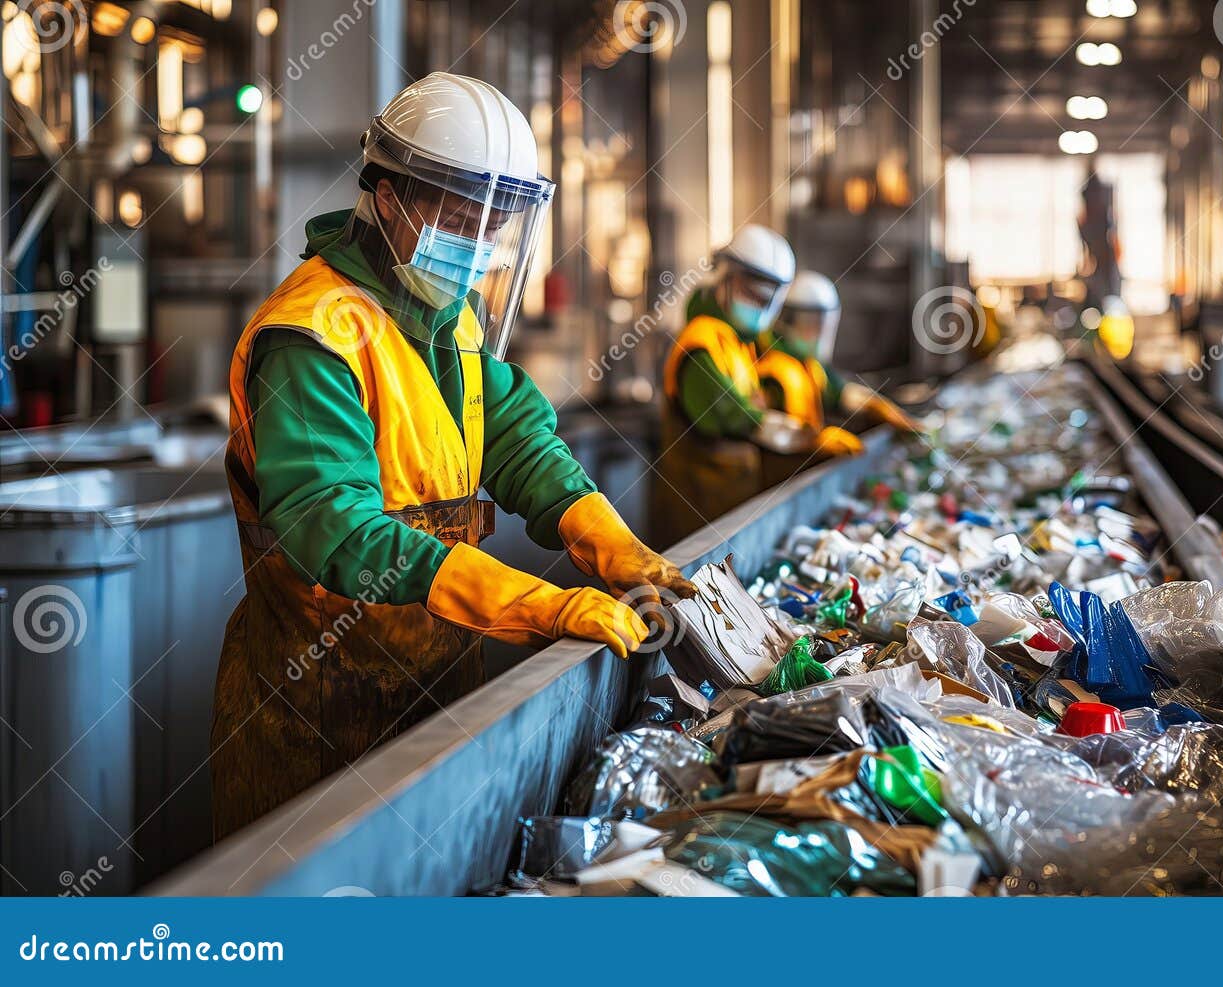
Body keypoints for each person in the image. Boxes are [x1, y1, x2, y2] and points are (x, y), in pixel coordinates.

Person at [211, 73, 693, 838]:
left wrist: (603, 535)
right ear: (389, 196)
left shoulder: (447, 317)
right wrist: (534, 601)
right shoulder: (311, 336)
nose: (479, 246)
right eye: (462, 218)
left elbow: (515, 437)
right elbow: (334, 527)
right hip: (317, 719)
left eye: (494, 224)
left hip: (434, 696)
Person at [653, 226, 861, 545]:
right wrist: (812, 440)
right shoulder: (700, 345)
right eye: (752, 291)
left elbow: (800, 356)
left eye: (772, 295)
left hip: (730, 509)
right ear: (723, 278)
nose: (762, 303)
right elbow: (738, 417)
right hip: (694, 518)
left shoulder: (741, 341)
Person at [757, 270, 923, 443]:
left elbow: (843, 394)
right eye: (810, 324)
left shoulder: (810, 365)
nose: (820, 333)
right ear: (784, 321)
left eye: (823, 323)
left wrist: (878, 407)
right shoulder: (772, 367)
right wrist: (817, 443)